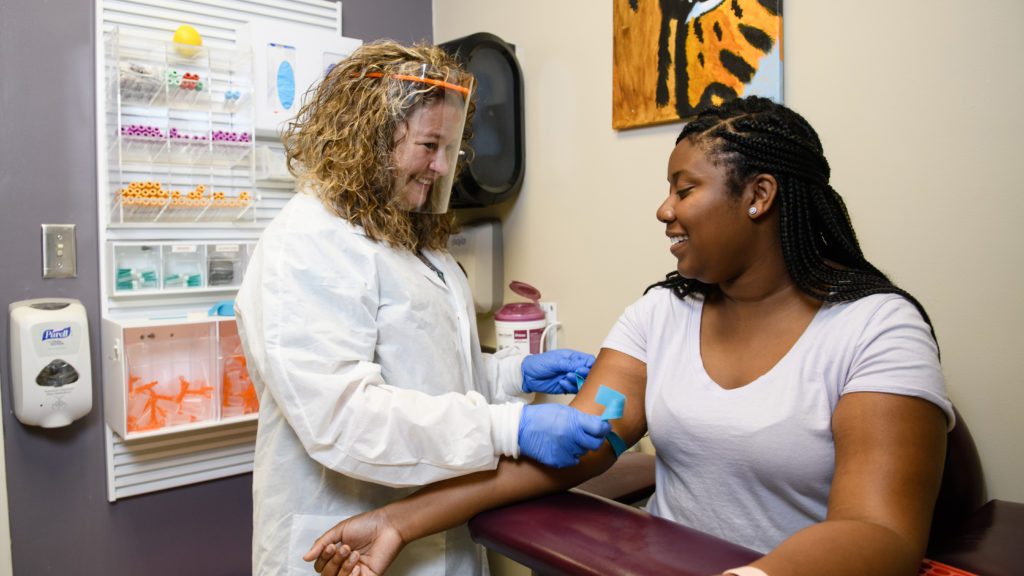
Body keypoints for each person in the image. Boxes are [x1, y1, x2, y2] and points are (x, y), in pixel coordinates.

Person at [304, 96, 954, 576]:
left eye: (684, 188)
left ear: (759, 196)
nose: (664, 210)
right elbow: (580, 446)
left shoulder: (877, 330)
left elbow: (880, 531)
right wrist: (396, 520)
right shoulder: (660, 318)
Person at [233, 40, 611, 576]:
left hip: (437, 532)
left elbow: (426, 372)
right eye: (429, 145)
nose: (442, 166)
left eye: (451, 147)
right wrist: (508, 427)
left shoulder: (412, 235)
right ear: (369, 136)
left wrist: (510, 374)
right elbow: (344, 416)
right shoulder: (308, 243)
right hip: (343, 537)